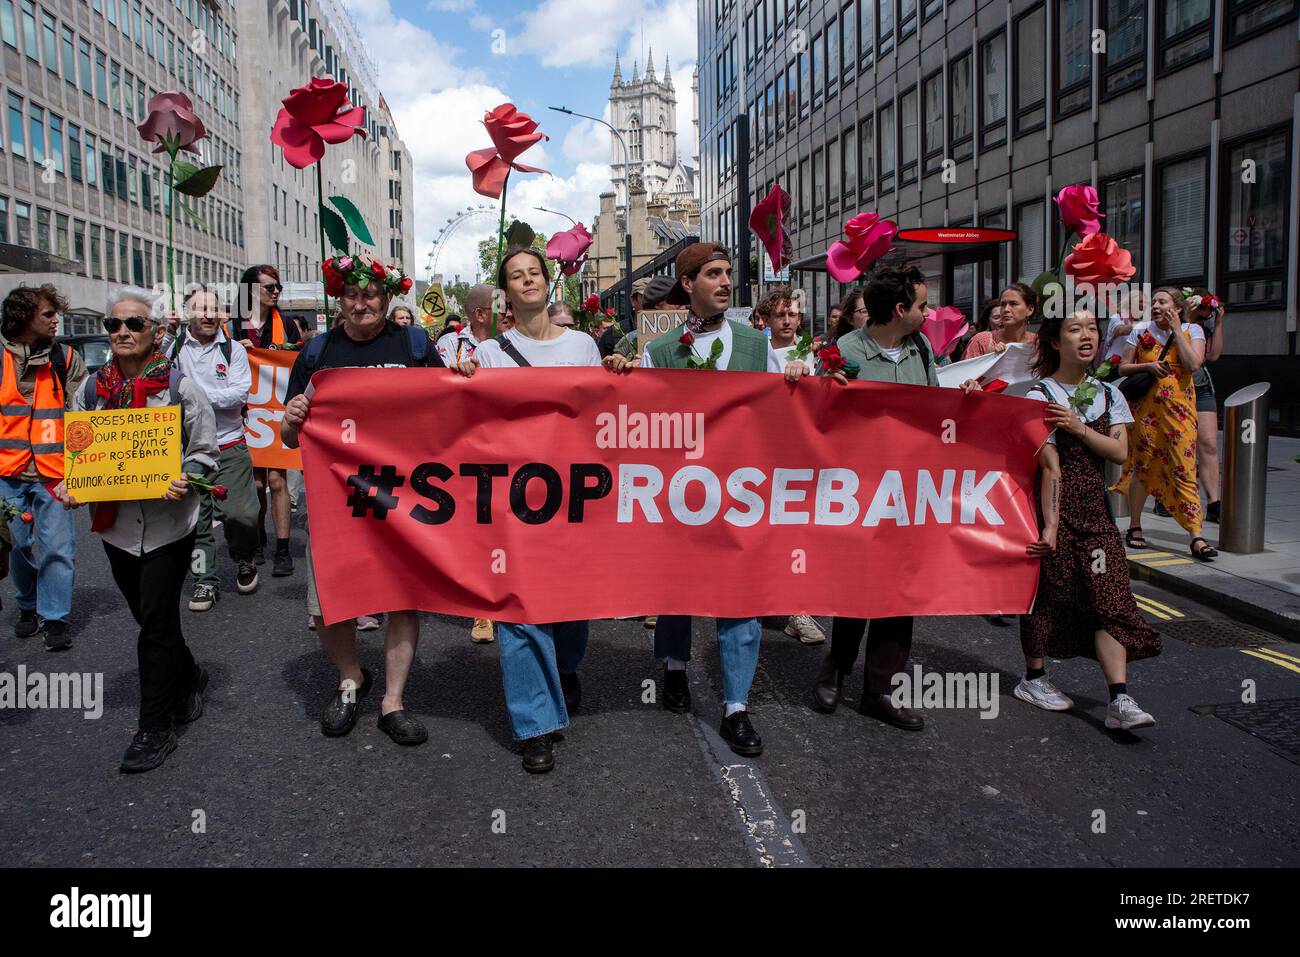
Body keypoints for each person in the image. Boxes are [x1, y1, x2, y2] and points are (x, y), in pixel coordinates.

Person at [605, 242, 802, 758]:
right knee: (678, 589)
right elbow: (644, 420)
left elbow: (781, 412)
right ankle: (673, 668)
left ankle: (736, 706)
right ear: (688, 283)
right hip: (683, 491)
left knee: (742, 596)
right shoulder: (662, 349)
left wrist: (798, 378)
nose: (724, 282)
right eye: (712, 274)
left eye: (728, 274)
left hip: (740, 491)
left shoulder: (758, 345)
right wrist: (625, 379)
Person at [281, 254, 446, 748]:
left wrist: (460, 373)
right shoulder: (316, 353)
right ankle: (351, 679)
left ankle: (393, 701)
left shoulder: (414, 344)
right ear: (339, 300)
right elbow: (289, 438)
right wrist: (292, 417)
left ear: (387, 297)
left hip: (404, 495)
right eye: (350, 295)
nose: (360, 303)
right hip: (336, 500)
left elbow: (449, 411)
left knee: (401, 597)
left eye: (370, 294)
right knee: (326, 605)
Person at [451, 247, 603, 774]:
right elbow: (472, 419)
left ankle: (564, 667)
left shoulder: (583, 346)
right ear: (506, 295)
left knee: (569, 605)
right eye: (516, 276)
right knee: (518, 609)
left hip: (576, 496)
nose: (527, 281)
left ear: (547, 282)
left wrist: (622, 373)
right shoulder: (491, 353)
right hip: (516, 499)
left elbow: (603, 411)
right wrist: (463, 379)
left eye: (534, 272)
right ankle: (535, 724)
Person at [811, 266, 980, 731]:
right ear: (901, 310)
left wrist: (962, 397)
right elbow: (818, 420)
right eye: (923, 306)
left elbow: (932, 406)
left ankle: (880, 690)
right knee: (859, 584)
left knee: (901, 588)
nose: (929, 313)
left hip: (910, 490)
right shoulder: (843, 351)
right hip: (860, 490)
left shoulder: (921, 348)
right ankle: (837, 667)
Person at [57, 286, 219, 772]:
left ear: (155, 331)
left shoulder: (179, 388)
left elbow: (205, 449)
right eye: (114, 325)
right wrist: (74, 485)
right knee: (150, 619)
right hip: (118, 528)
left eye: (134, 324)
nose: (122, 332)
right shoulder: (88, 393)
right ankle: (188, 675)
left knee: (155, 623)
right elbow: (80, 455)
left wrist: (187, 478)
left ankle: (154, 727)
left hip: (170, 524)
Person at [1017, 310, 1160, 730]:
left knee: (1110, 599)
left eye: (1092, 329)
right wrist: (1051, 527)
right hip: (1052, 511)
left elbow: (1118, 454)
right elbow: (1050, 467)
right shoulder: (1038, 397)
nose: (1087, 336)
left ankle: (1121, 698)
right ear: (1056, 343)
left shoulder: (1110, 394)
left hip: (1097, 516)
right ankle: (1034, 678)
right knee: (1046, 598)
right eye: (1074, 329)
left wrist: (1078, 427)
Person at [0, 284, 87, 650]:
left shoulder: (65, 359)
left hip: (54, 475)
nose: (56, 320)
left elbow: (85, 419)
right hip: (8, 475)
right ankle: (28, 604)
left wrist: (83, 472)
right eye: (48, 314)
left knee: (57, 548)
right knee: (18, 548)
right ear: (24, 317)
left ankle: (55, 618)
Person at [168, 286, 261, 611]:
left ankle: (245, 556)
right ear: (188, 313)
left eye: (213, 309)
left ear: (222, 314)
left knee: (243, 514)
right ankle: (204, 582)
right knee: (197, 523)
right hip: (188, 449)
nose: (207, 315)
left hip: (229, 444)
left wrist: (193, 395)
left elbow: (238, 395)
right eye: (199, 308)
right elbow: (161, 389)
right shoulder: (174, 349)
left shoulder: (233, 351)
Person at [1114, 287, 1214, 561]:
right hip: (1145, 411)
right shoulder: (1140, 330)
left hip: (1179, 411)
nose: (1155, 306)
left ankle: (1196, 534)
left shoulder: (1192, 331)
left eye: (1162, 302)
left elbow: (1193, 363)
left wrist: (1175, 330)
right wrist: (1147, 367)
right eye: (1154, 302)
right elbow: (1123, 367)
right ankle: (1135, 525)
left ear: (1177, 308)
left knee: (1184, 467)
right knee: (1142, 467)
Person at [753, 286, 828, 644]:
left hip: (805, 456)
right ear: (765, 319)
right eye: (780, 315)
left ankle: (798, 609)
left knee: (800, 531)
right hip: (763, 454)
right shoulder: (756, 353)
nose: (787, 321)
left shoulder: (818, 354)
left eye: (793, 314)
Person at [233, 264, 301, 576]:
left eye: (278, 288)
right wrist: (236, 350)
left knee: (277, 479)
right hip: (244, 413)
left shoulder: (286, 325)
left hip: (275, 409)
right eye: (268, 287)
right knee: (256, 483)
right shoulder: (231, 327)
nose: (275, 292)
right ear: (249, 291)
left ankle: (283, 548)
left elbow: (297, 363)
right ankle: (258, 537)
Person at [1187, 288, 1225, 524]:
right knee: (1179, 445)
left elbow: (1214, 356)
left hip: (1202, 388)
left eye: (1207, 315)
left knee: (1209, 444)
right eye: (1201, 314)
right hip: (1176, 388)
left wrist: (1218, 324)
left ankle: (1214, 502)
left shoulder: (1207, 326)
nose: (1204, 318)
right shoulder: (1175, 324)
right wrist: (1188, 321)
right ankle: (1167, 497)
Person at [963, 282, 1038, 359]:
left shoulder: (1039, 344)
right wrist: (988, 359)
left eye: (1013, 304)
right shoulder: (981, 341)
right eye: (1003, 304)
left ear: (1029, 310)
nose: (1006, 309)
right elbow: (966, 370)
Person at [436, 284, 492, 370]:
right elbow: (444, 380)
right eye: (500, 307)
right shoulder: (450, 342)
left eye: (509, 306)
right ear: (480, 315)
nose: (508, 313)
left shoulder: (509, 342)